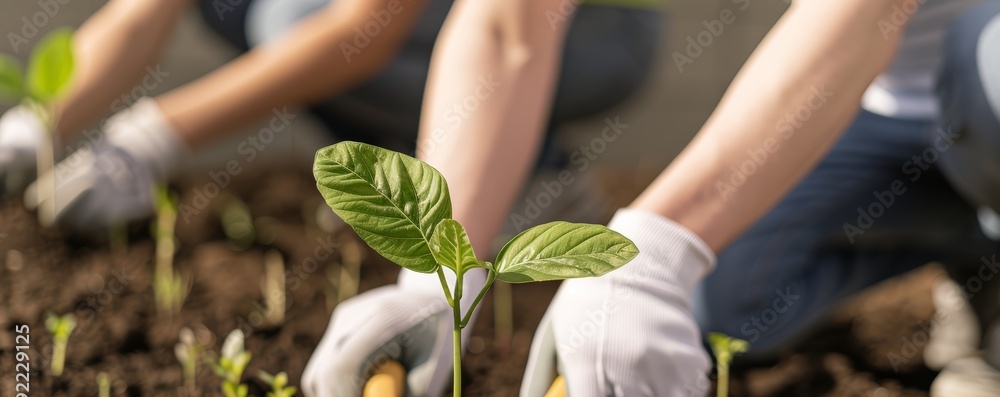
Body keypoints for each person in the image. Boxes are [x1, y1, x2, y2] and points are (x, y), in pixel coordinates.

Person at [301, 0, 1000, 397]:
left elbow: (861, 19)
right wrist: (435, 273)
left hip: (960, 72)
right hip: (872, 111)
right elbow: (509, 25)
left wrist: (657, 248)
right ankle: (980, 246)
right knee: (715, 304)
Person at [0, 0, 663, 230]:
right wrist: (34, 127)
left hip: (593, 34)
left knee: (294, 20)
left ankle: (529, 172)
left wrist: (149, 140)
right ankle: (447, 171)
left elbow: (365, 27)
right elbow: (135, 14)